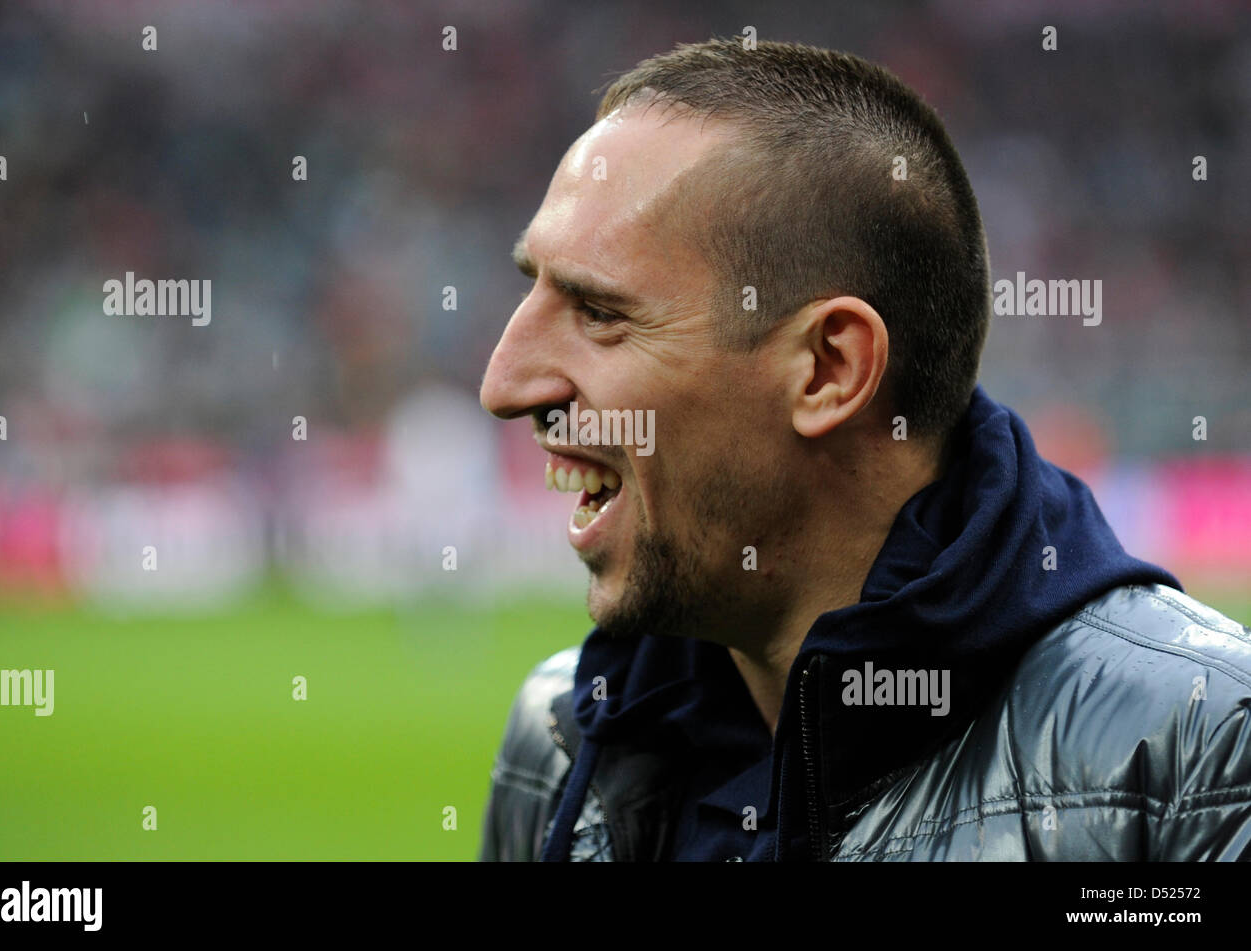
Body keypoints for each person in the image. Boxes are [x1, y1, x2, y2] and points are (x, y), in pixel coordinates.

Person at [476, 38, 1251, 861]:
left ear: (829, 369)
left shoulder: (1198, 760)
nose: (504, 384)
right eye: (534, 286)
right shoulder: (562, 738)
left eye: (599, 313)